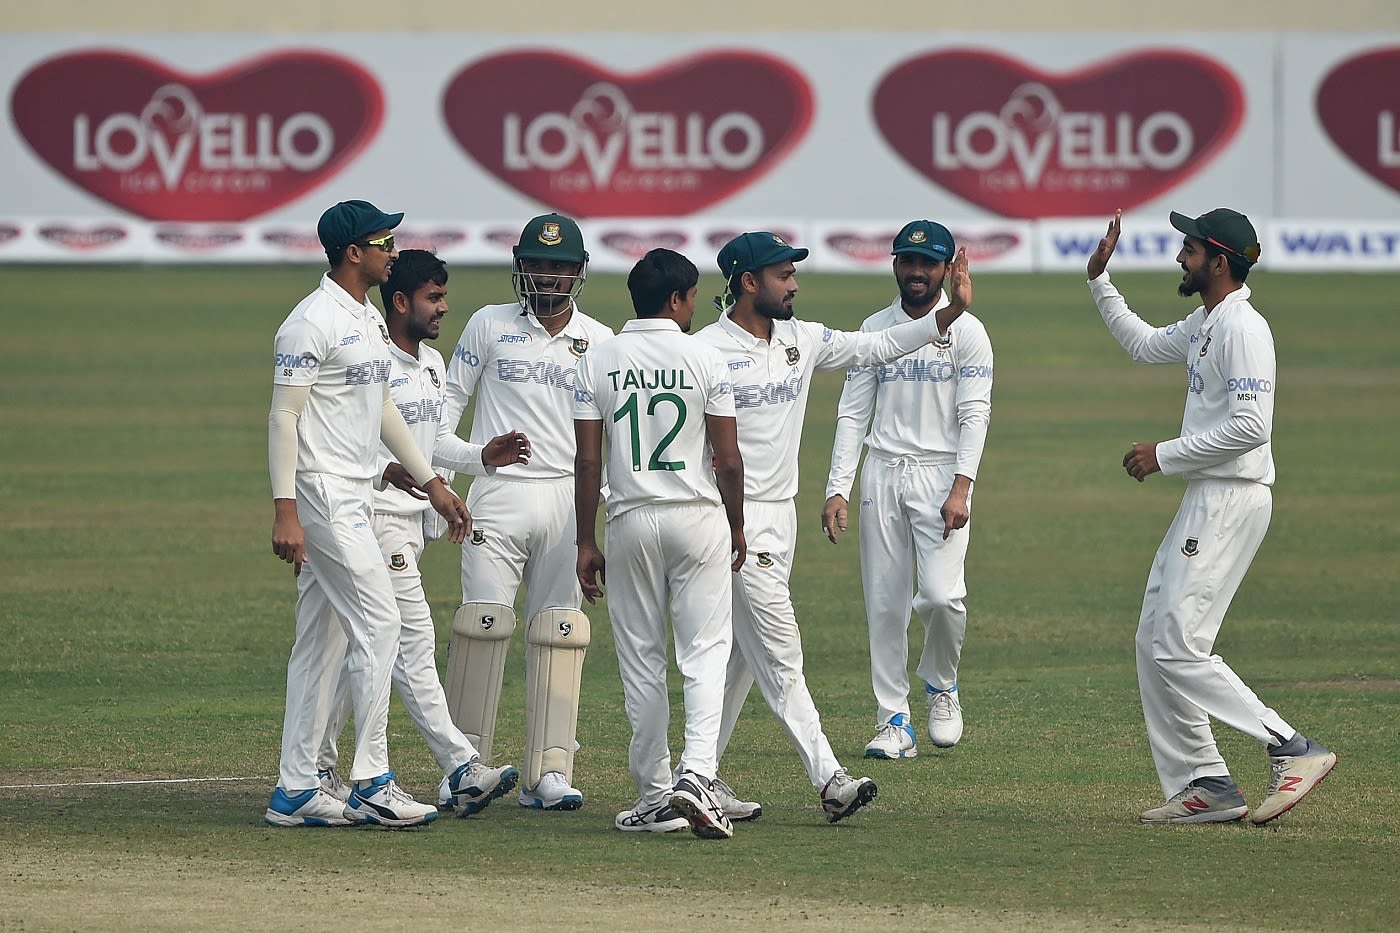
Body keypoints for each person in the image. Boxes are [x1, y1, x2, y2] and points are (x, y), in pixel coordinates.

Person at [692, 231, 972, 823]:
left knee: (743, 658)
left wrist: (947, 316)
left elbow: (878, 346)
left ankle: (696, 779)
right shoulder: (705, 349)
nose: (794, 284)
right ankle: (830, 778)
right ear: (749, 282)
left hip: (780, 517)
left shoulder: (801, 338)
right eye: (783, 275)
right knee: (782, 653)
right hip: (730, 519)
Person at [1087, 207, 1336, 825]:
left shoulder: (1243, 329)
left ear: (1219, 262)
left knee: (1176, 643)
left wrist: (1164, 455)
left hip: (1231, 497)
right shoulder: (1208, 321)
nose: (1181, 257)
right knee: (1154, 639)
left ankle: (1292, 747)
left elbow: (1252, 427)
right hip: (1207, 496)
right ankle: (1207, 783)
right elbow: (1144, 345)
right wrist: (1100, 280)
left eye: (1191, 249)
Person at [264, 200, 471, 828]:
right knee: (382, 624)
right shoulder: (309, 322)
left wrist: (432, 483)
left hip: (354, 489)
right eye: (384, 242)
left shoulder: (367, 320)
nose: (392, 252)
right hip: (323, 492)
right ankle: (372, 780)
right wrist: (285, 510)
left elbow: (381, 409)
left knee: (319, 643)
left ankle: (295, 788)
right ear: (353, 253)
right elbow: (284, 416)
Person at [310, 250, 529, 818]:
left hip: (408, 526)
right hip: (372, 520)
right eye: (433, 297)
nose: (443, 307)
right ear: (401, 301)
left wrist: (482, 456)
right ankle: (461, 767)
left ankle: (318, 766)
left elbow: (430, 444)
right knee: (410, 643)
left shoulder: (431, 363)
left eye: (444, 296)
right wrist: (383, 471)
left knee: (361, 647)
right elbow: (343, 435)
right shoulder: (371, 358)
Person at [441, 213, 615, 812]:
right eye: (536, 264)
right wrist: (460, 472)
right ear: (520, 267)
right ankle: (464, 769)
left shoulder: (600, 340)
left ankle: (550, 772)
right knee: (482, 627)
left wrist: (601, 509)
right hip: (498, 496)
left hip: (568, 501)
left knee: (560, 634)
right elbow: (442, 416)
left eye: (559, 266)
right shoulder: (488, 325)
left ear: (579, 271)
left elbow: (611, 439)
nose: (547, 276)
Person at [574, 248, 747, 839]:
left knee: (642, 661)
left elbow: (588, 461)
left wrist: (584, 540)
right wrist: (737, 523)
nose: (695, 307)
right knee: (705, 654)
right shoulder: (705, 356)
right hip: (696, 515)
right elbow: (728, 459)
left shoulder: (598, 358)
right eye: (693, 296)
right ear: (675, 299)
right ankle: (697, 774)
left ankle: (653, 796)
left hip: (628, 519)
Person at [822, 221, 994, 759]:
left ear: (946, 269)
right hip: (882, 471)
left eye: (928, 263)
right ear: (895, 264)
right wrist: (838, 487)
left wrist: (962, 486)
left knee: (942, 597)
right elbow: (852, 414)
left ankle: (941, 684)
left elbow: (975, 414)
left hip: (942, 475)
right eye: (908, 261)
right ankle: (893, 720)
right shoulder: (875, 328)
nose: (917, 272)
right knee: (884, 602)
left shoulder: (968, 332)